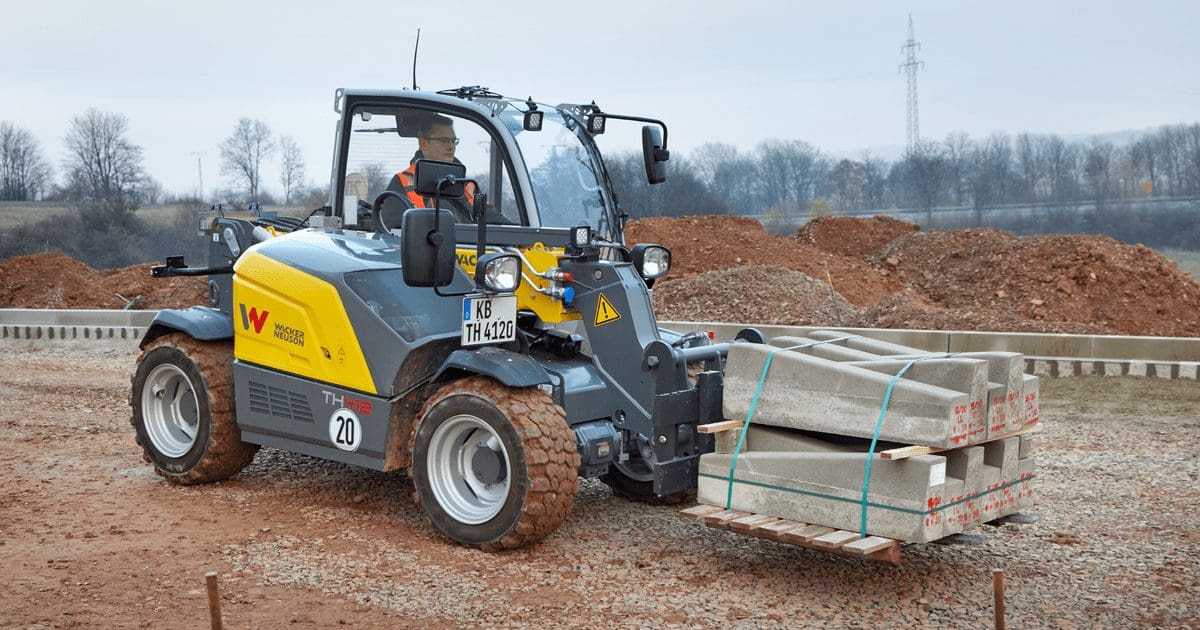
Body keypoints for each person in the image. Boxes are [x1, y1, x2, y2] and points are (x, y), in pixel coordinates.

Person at [381, 115, 476, 224]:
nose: (451, 147)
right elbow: (392, 233)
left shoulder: (467, 185)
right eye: (444, 140)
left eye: (453, 141)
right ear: (423, 143)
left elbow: (491, 223)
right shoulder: (402, 183)